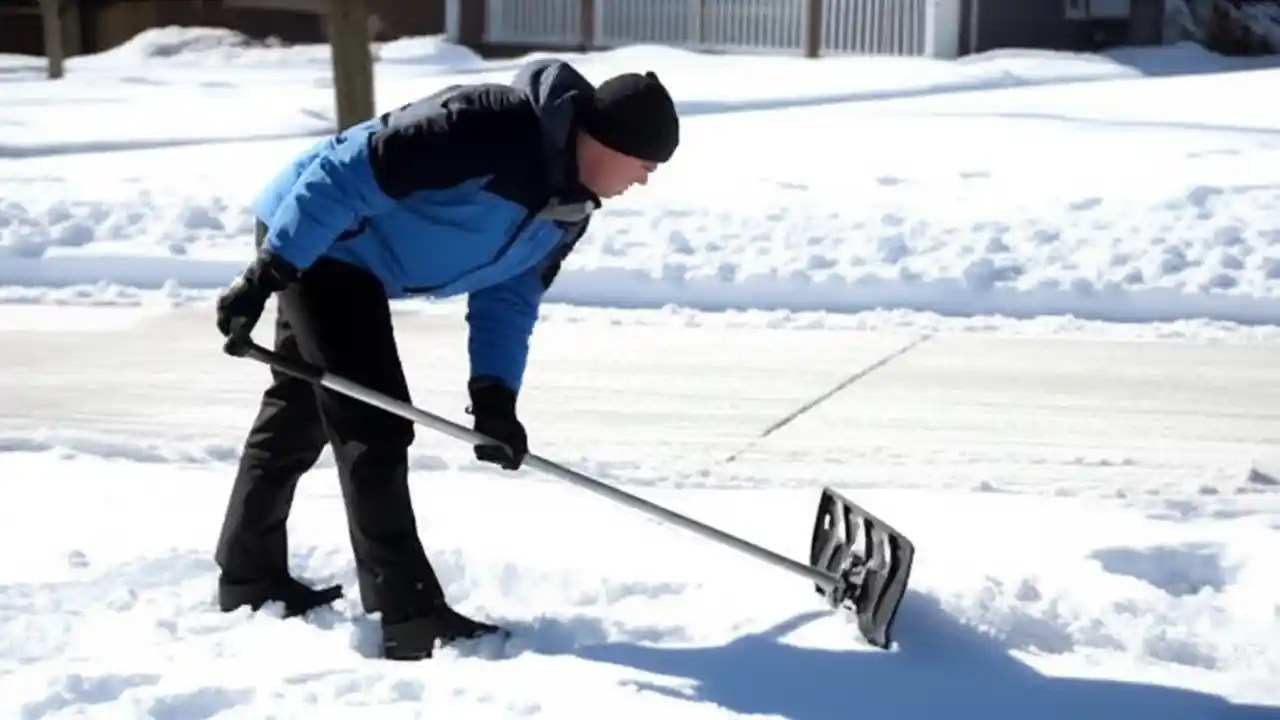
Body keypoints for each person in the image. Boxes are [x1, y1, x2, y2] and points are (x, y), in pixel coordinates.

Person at [211, 58, 679, 660]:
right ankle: (408, 614)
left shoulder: (569, 209)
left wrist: (494, 397)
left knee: (297, 413)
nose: (643, 182)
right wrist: (268, 273)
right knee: (374, 423)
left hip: (361, 260)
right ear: (606, 142)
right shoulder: (483, 128)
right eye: (645, 165)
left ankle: (248, 575)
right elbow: (343, 174)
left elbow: (509, 294)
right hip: (322, 236)